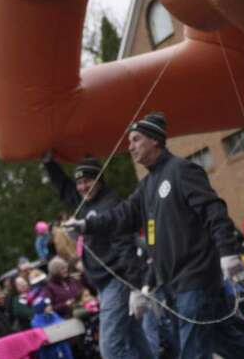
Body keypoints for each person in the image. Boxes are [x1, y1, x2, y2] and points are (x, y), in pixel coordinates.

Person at [68, 112, 244, 359]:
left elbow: (213, 210)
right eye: (130, 142)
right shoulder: (146, 186)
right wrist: (86, 226)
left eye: (136, 140)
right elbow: (120, 216)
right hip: (174, 281)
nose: (130, 147)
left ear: (155, 140)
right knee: (228, 343)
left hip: (195, 276)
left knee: (192, 351)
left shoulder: (182, 170)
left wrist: (228, 252)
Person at [42, 153, 151, 359]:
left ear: (99, 180)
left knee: (110, 348)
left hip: (117, 280)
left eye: (88, 181)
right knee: (135, 337)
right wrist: (49, 164)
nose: (83, 187)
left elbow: (125, 245)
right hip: (103, 283)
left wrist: (135, 285)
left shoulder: (110, 204)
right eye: (79, 182)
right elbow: (65, 189)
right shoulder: (85, 202)